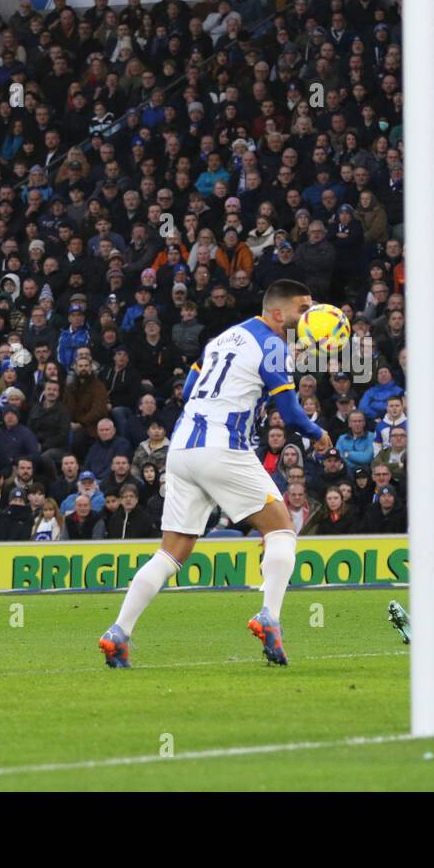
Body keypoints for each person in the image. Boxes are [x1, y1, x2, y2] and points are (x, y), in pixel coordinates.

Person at [99, 279, 332, 668]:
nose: (308, 317)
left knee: (172, 551)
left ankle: (119, 632)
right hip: (222, 446)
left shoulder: (225, 338)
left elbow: (189, 387)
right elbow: (291, 414)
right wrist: (318, 434)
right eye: (302, 310)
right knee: (281, 530)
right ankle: (269, 616)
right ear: (278, 313)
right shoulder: (273, 345)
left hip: (183, 447)